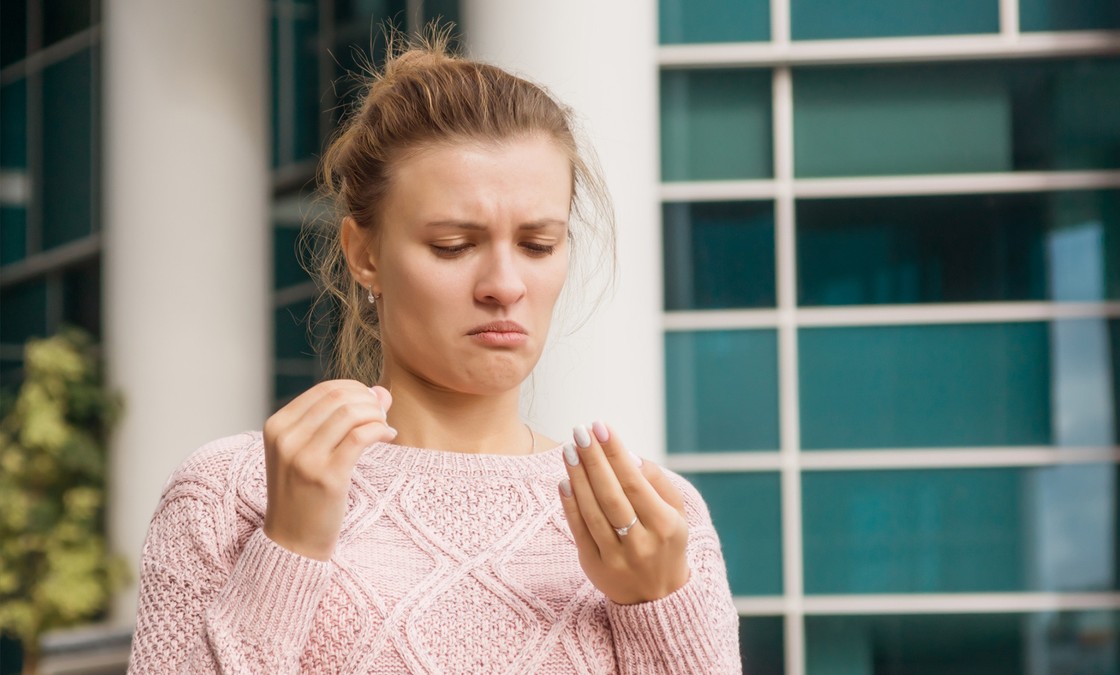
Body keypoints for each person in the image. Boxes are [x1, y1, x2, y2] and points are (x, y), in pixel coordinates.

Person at [128, 31, 741, 674]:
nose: (505, 285)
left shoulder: (650, 519)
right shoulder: (230, 494)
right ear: (364, 255)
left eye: (537, 245)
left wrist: (657, 607)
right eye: (454, 246)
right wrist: (288, 549)